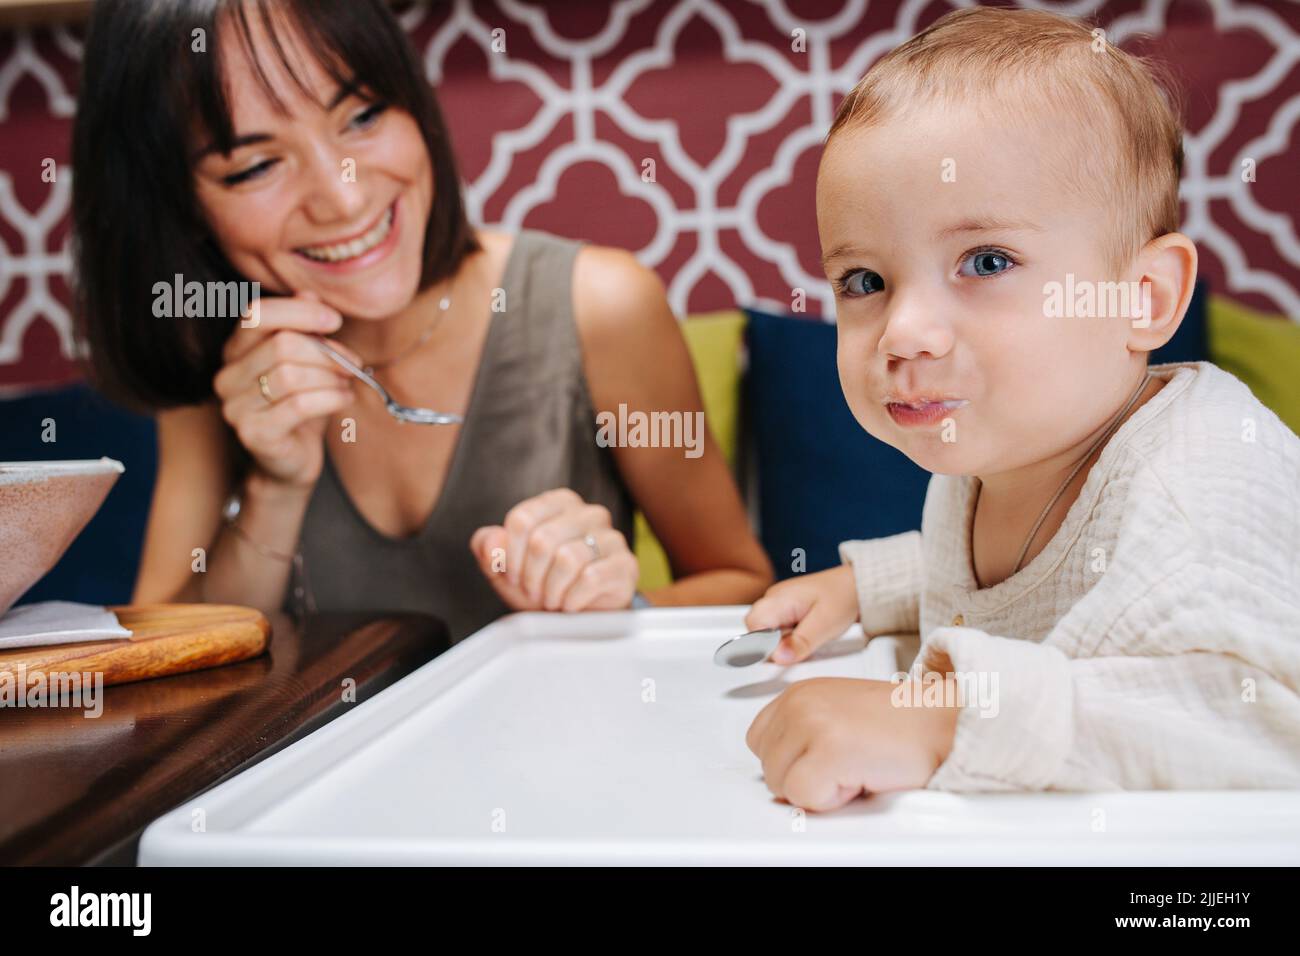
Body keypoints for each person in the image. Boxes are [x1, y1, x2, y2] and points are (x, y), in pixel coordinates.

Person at [71, 0, 772, 641]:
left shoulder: (599, 304)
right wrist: (272, 489)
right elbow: (170, 661)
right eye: (256, 166)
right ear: (180, 208)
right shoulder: (222, 352)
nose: (342, 202)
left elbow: (746, 590)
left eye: (363, 115)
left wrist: (618, 609)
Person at [744, 7, 1300, 808]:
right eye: (865, 281)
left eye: (986, 260)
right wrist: (877, 588)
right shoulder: (1005, 454)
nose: (904, 332)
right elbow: (1039, 573)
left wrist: (942, 721)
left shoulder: (1195, 506)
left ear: (1142, 297)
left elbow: (1264, 728)